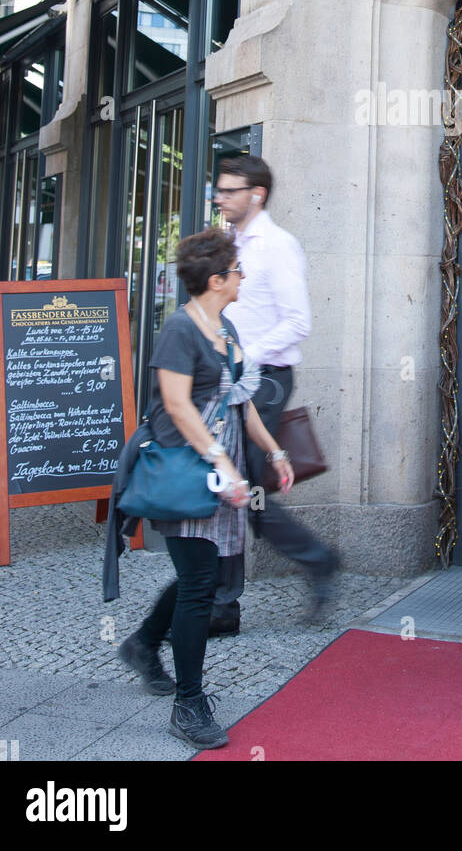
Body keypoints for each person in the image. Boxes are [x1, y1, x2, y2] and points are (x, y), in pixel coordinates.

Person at [116, 227, 293, 749]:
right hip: (188, 471)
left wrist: (272, 450)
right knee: (199, 583)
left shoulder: (227, 327)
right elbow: (176, 404)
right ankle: (188, 704)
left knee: (205, 573)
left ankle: (144, 642)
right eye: (236, 270)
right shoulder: (179, 330)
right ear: (216, 279)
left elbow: (241, 399)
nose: (242, 276)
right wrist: (221, 460)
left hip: (225, 470)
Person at [209, 155, 339, 635]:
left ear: (257, 194)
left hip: (263, 378)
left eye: (229, 189)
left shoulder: (278, 246)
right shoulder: (229, 242)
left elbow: (298, 321)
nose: (220, 197)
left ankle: (223, 606)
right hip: (233, 378)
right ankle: (317, 561)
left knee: (233, 487)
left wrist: (244, 355)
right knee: (245, 490)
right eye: (218, 190)